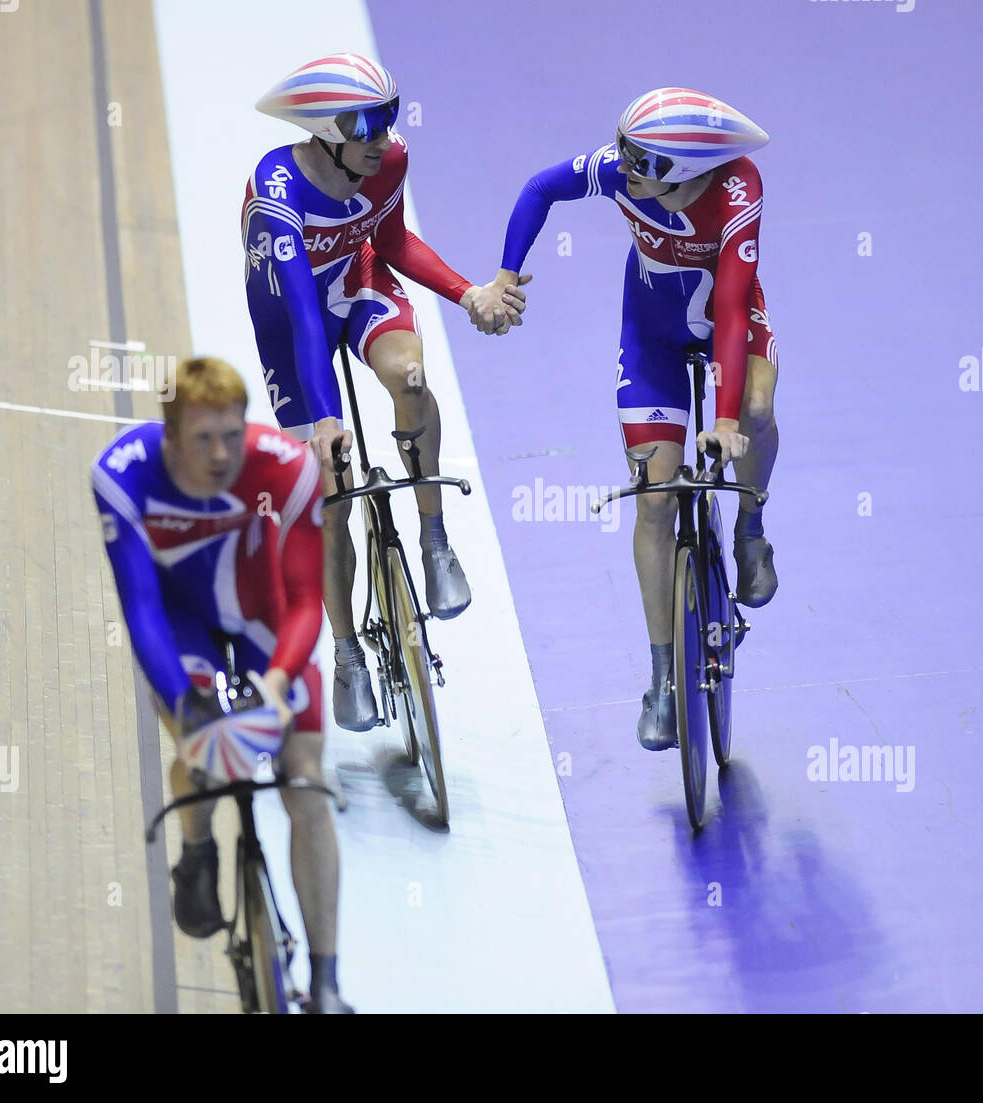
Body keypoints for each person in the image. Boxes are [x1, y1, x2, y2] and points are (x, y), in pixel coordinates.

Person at [490, 87, 780, 750]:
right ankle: (660, 678)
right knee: (654, 500)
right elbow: (541, 187)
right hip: (649, 333)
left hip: (724, 325)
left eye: (638, 160)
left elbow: (733, 309)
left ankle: (752, 526)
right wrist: (508, 273)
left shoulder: (738, 189)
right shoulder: (629, 168)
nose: (623, 166)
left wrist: (728, 414)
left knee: (758, 410)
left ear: (677, 170)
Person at [245, 51, 525, 731]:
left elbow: (394, 243)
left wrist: (469, 295)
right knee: (330, 488)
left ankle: (433, 538)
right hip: (291, 316)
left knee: (412, 376)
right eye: (364, 126)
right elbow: (306, 321)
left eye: (387, 120)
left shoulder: (387, 161)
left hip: (356, 277)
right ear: (323, 130)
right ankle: (346, 656)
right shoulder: (276, 190)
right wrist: (326, 420)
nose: (381, 138)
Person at [91, 357, 353, 1014]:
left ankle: (326, 980)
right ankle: (199, 846)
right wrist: (187, 702)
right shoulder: (122, 475)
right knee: (202, 752)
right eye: (203, 438)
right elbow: (142, 607)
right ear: (170, 437)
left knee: (305, 781)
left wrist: (277, 680)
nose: (220, 454)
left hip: (268, 622)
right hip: (181, 630)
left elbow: (302, 597)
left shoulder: (286, 467)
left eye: (232, 436)